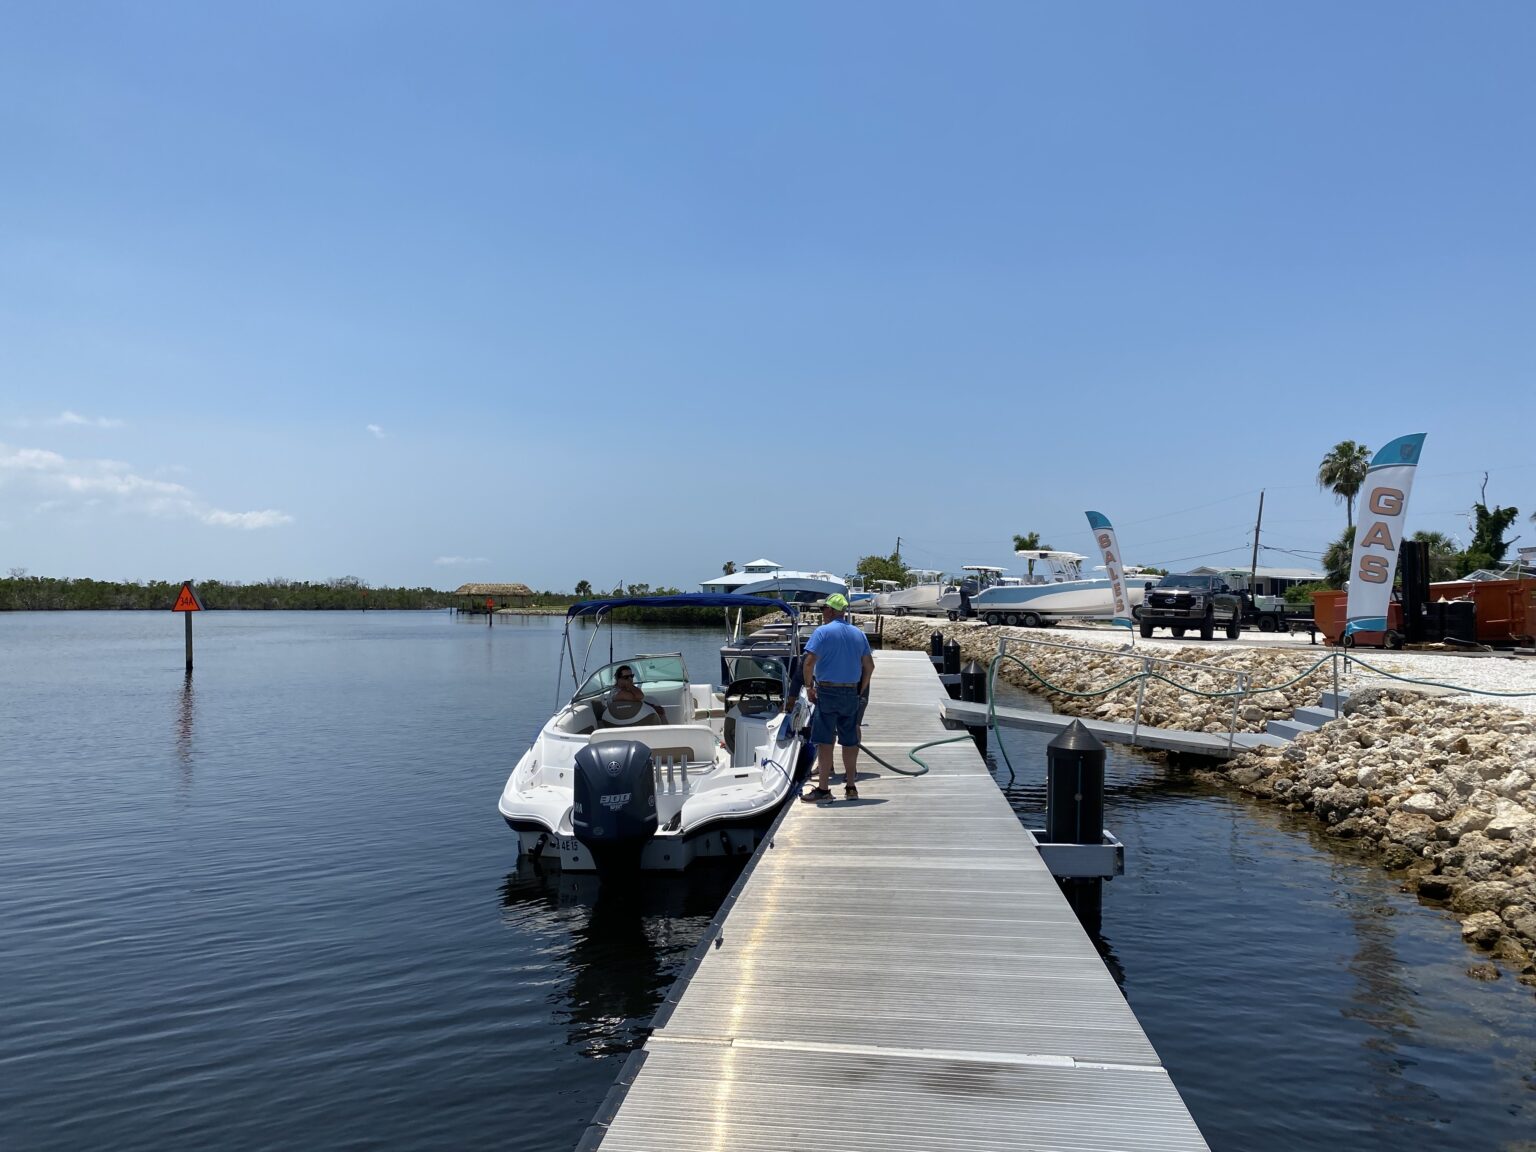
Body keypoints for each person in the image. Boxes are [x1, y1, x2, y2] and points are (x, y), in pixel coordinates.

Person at [799, 593, 874, 803]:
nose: (822, 613)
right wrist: (860, 689)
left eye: (824, 609)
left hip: (828, 692)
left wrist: (808, 687)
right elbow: (869, 666)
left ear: (831, 610)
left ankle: (824, 790)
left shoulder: (822, 632)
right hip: (850, 692)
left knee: (825, 742)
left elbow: (808, 663)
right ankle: (851, 787)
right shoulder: (859, 634)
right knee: (850, 742)